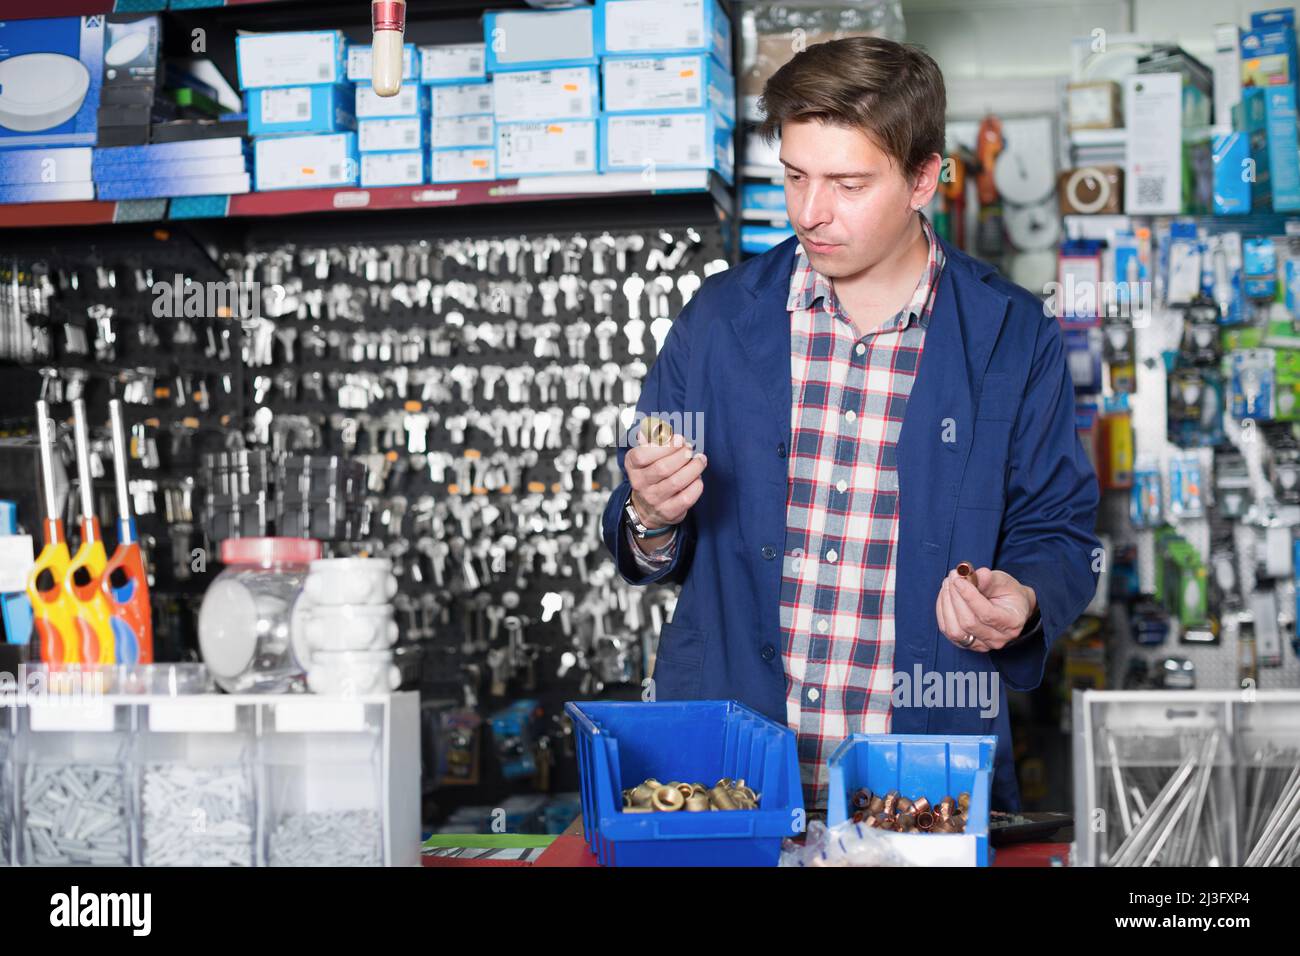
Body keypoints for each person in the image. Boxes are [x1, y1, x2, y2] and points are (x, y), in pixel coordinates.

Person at [601, 36, 1101, 811]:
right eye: (796, 176)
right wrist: (650, 515)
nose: (811, 212)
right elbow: (645, 535)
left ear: (924, 178)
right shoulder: (716, 322)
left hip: (921, 787)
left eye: (848, 183)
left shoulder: (1012, 338)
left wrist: (1024, 597)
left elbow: (1060, 532)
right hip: (723, 783)